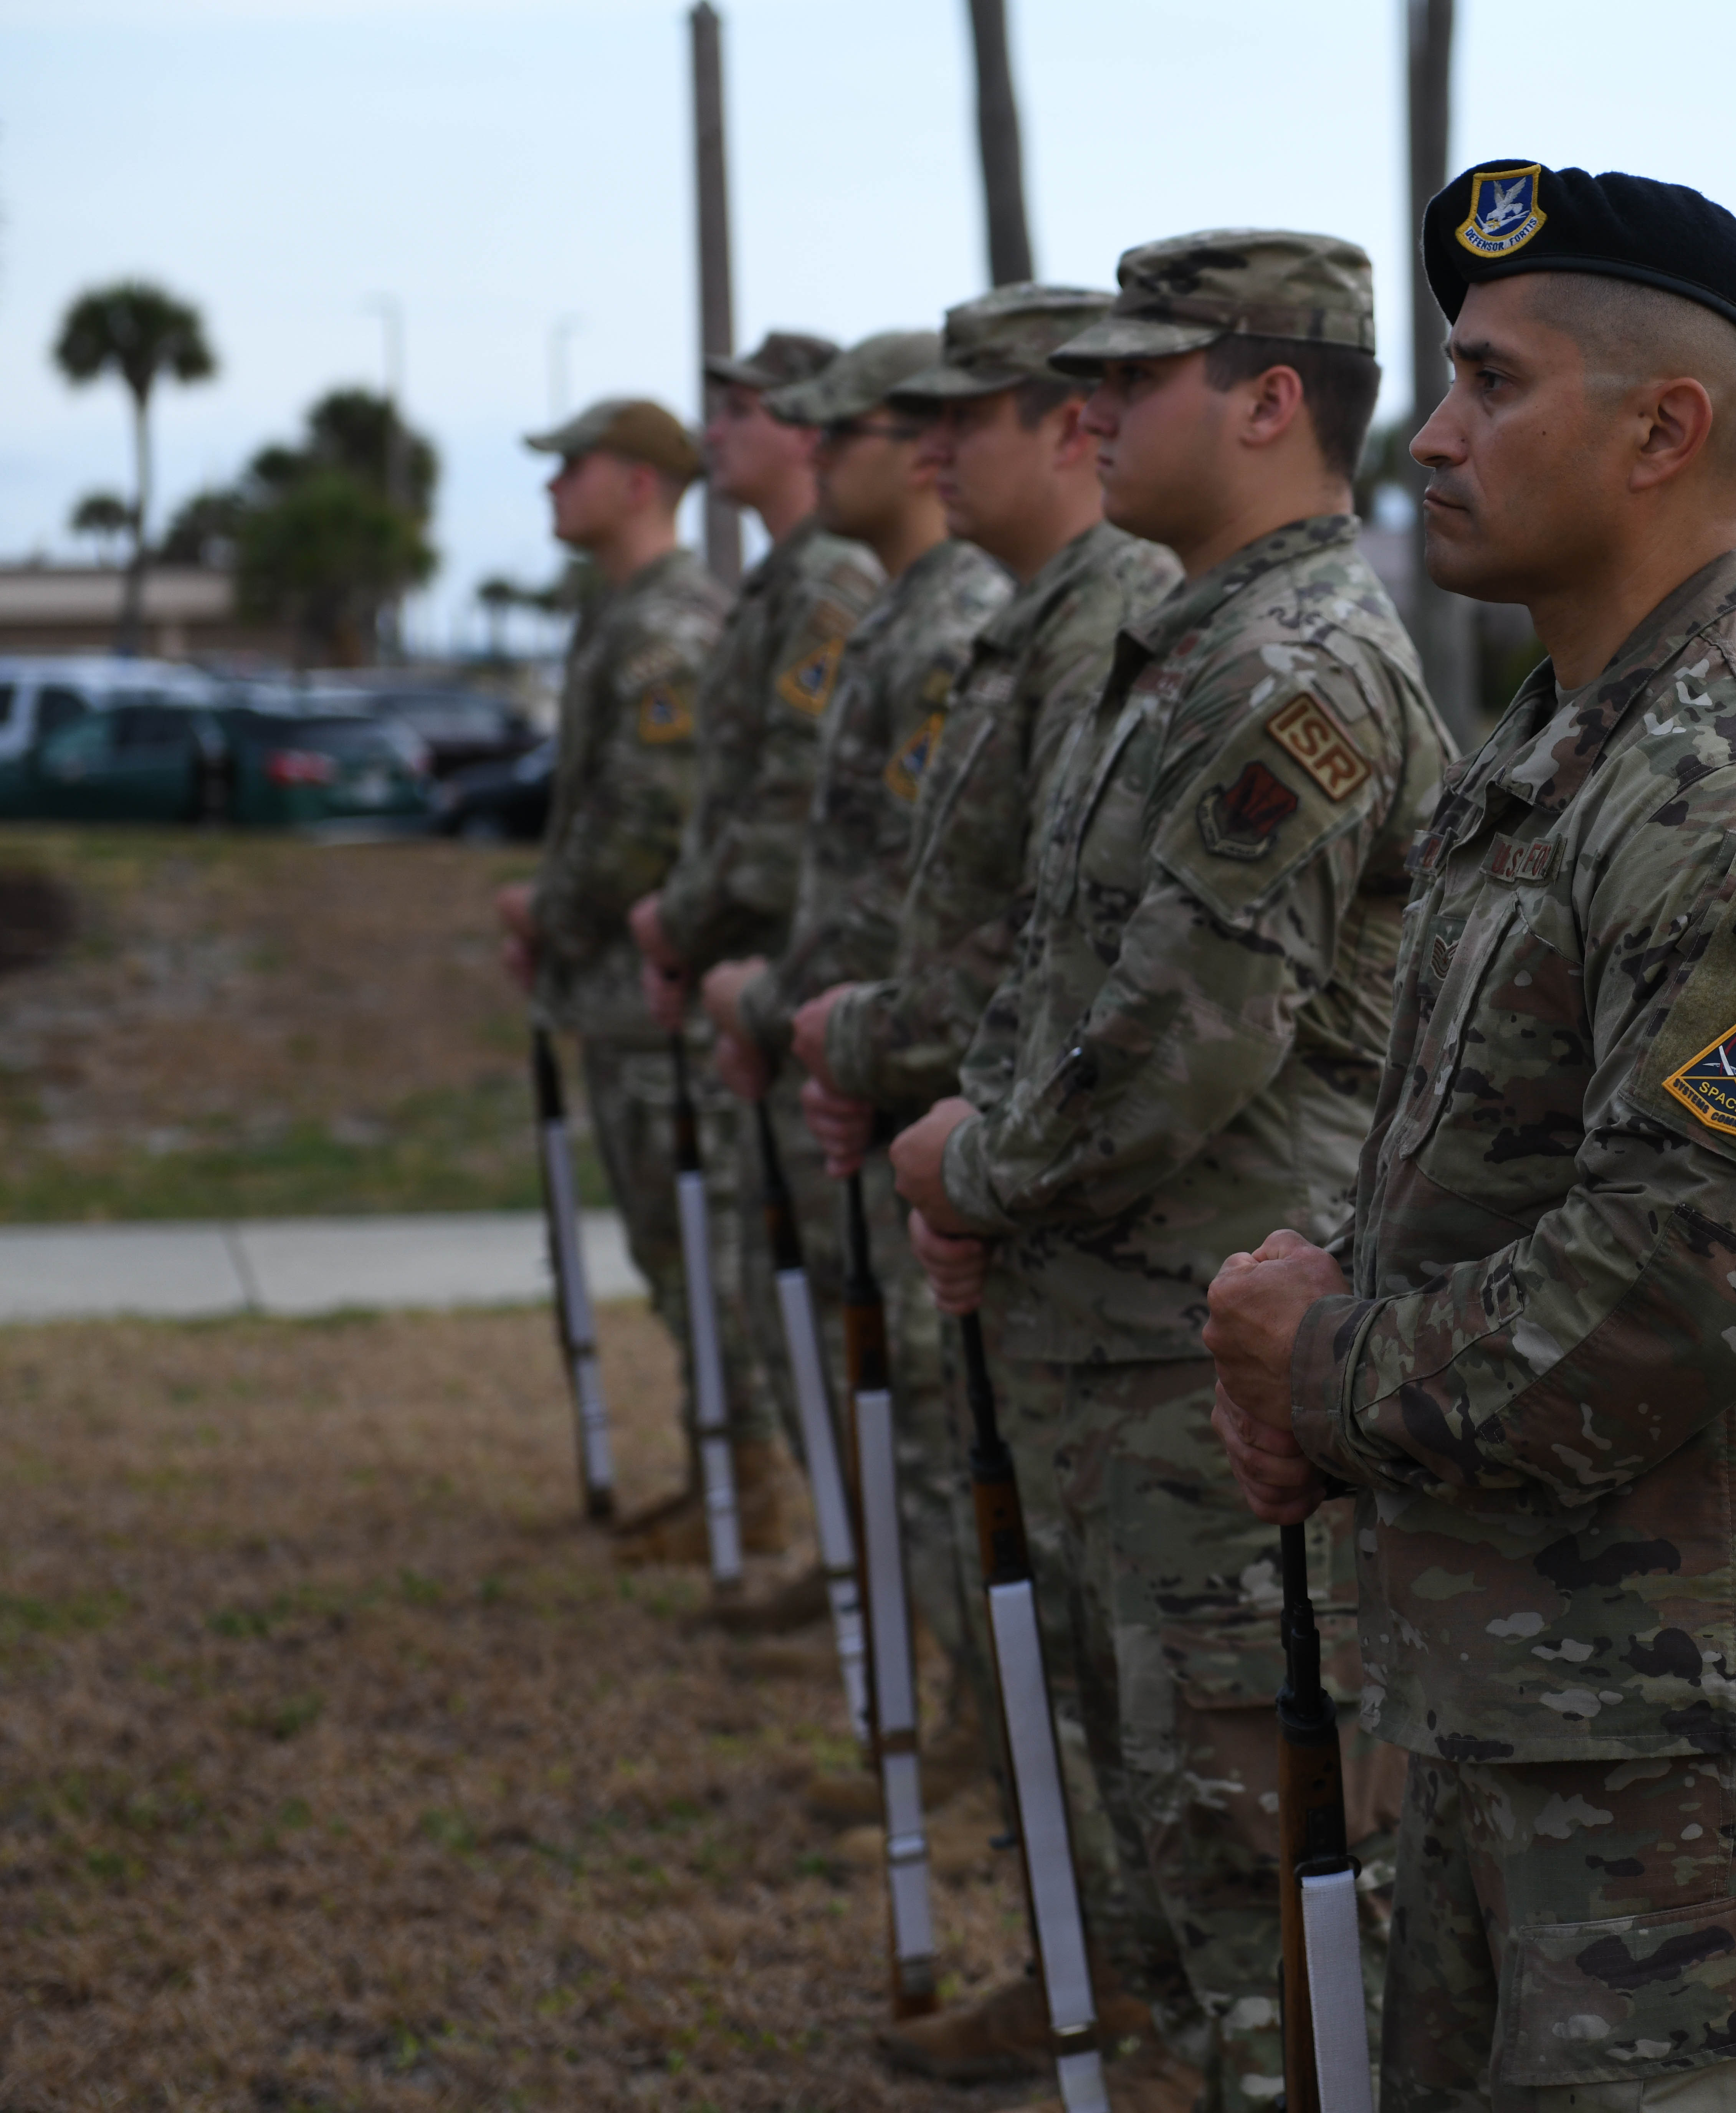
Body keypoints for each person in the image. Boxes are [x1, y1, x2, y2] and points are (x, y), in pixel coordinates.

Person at [1199, 164, 1736, 2113]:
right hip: (1535, 1696)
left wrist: (1325, 1368)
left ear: (1663, 429)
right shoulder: (1565, 758)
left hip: (1697, 1753)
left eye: (1491, 384)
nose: (1435, 440)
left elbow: (1675, 1283)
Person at [886, 228, 1447, 2113]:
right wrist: (988, 1164)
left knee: (1271, 1911)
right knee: (1181, 1867)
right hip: (1122, 1354)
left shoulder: (1291, 672)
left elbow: (1175, 1045)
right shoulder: (1185, 644)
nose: (1088, 410)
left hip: (1212, 1375)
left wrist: (980, 1164)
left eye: (1135, 378)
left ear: (1273, 401)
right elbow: (1063, 977)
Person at [782, 281, 1184, 2085]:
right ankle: (1097, 1963)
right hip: (1004, 1193)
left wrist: (909, 1077)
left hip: (1110, 1238)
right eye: (917, 420)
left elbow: (1090, 971)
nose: (936, 447)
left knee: (1164, 1699)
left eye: (971, 413)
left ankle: (1141, 1990)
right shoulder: (1042, 629)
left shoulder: (1120, 634)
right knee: (1086, 1672)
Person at [685, 326, 1015, 1806]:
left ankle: (976, 1719)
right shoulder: (896, 610)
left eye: (847, 427)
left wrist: (819, 1018)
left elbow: (922, 892)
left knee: (942, 1441)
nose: (818, 450)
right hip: (848, 1051)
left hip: (889, 1062)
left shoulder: (937, 623)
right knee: (902, 1428)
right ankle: (958, 1705)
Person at [615, 328, 884, 1583]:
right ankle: (836, 1569)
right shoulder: (785, 583)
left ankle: (863, 1593)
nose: (714, 430)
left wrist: (690, 924)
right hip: (757, 995)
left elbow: (794, 820)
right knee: (779, 1314)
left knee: (828, 1325)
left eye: (740, 408)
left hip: (795, 992)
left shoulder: (830, 587)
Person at [493, 398, 736, 1527]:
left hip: (658, 1001)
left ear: (640, 482)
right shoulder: (619, 616)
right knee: (664, 1242)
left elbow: (650, 811)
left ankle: (743, 1483)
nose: (553, 488)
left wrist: (553, 909)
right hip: (618, 989)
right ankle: (720, 1475)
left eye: (572, 467)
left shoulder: (667, 625)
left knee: (695, 1248)